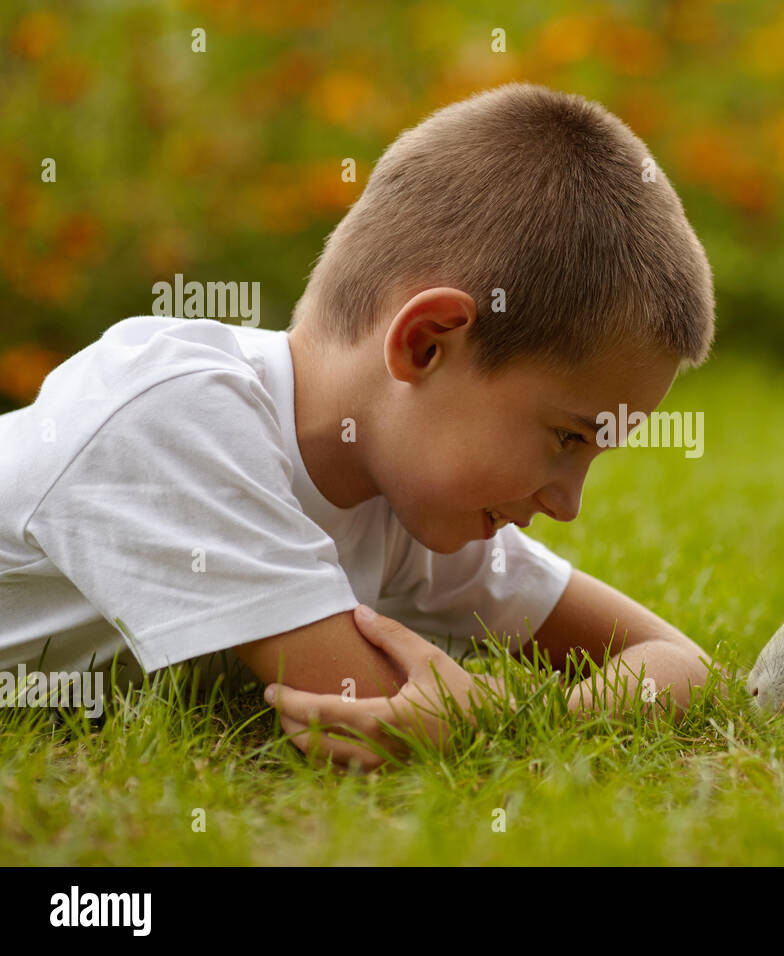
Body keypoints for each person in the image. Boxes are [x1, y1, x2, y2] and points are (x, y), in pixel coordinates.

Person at [0, 82, 719, 770]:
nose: (568, 505)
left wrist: (537, 719)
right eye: (569, 438)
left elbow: (681, 663)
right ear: (425, 343)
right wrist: (495, 720)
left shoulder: (410, 497)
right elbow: (365, 705)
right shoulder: (174, 412)